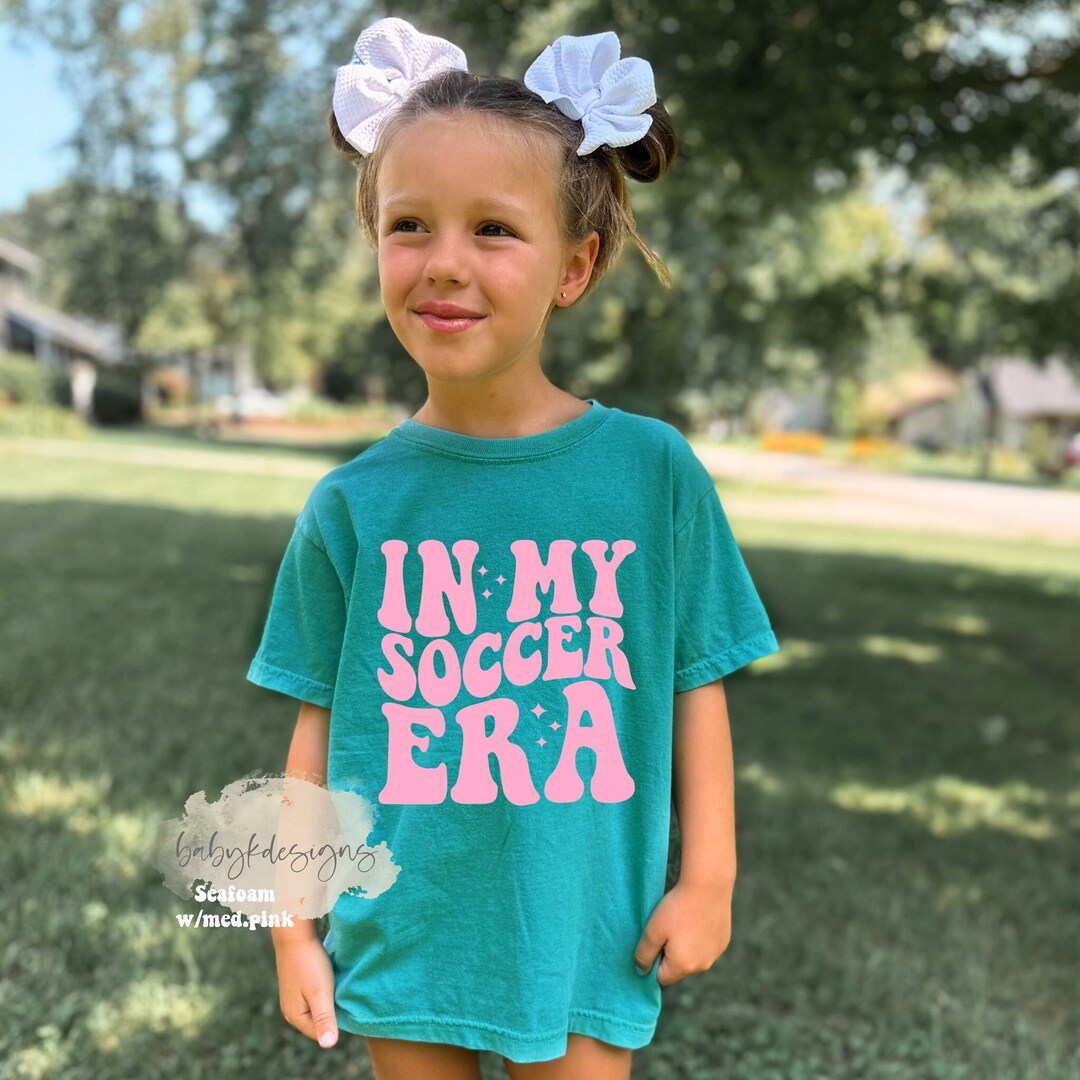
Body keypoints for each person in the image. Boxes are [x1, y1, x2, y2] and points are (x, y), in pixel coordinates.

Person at [246, 16, 781, 1080]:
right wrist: (289, 926)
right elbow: (320, 723)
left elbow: (695, 680)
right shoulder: (352, 505)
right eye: (410, 226)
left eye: (494, 229)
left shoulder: (649, 472)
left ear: (575, 266)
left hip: (583, 925)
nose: (444, 263)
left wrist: (708, 875)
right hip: (406, 926)